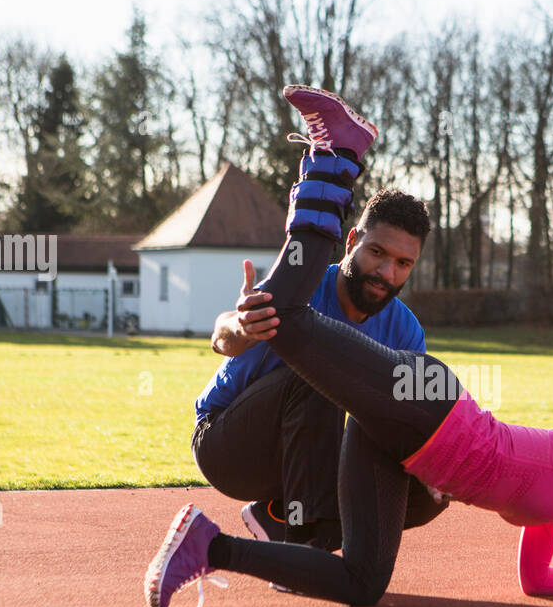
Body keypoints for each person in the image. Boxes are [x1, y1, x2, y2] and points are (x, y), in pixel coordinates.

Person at [145, 85, 553, 607]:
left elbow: (539, 582)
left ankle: (209, 545)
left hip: (399, 440)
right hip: (435, 414)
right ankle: (335, 158)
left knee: (363, 585)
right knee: (288, 317)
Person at [191, 163, 449, 572]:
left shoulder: (406, 331)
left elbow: (403, 422)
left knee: (426, 487)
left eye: (403, 263)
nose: (387, 273)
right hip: (229, 445)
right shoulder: (301, 288)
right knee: (319, 368)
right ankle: (303, 549)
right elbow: (220, 337)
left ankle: (278, 518)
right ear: (351, 242)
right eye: (377, 253)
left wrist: (433, 463)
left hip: (309, 457)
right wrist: (240, 325)